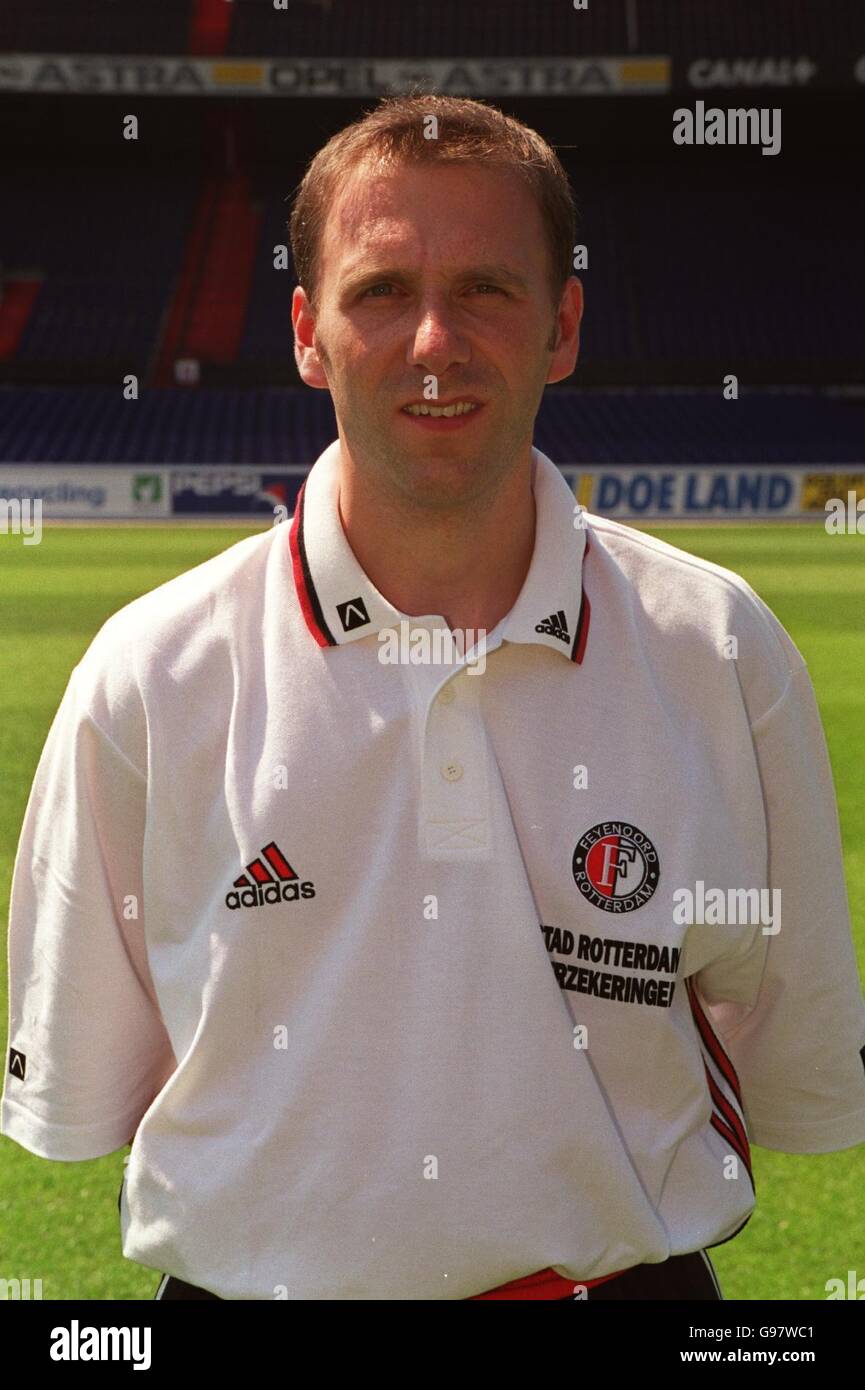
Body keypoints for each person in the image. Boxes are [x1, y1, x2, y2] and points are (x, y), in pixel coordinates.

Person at [2, 94, 864, 1302]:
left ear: (563, 324)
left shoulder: (717, 648)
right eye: (380, 291)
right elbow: (90, 1089)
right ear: (306, 332)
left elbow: (796, 1065)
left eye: (486, 290)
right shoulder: (148, 673)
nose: (432, 343)